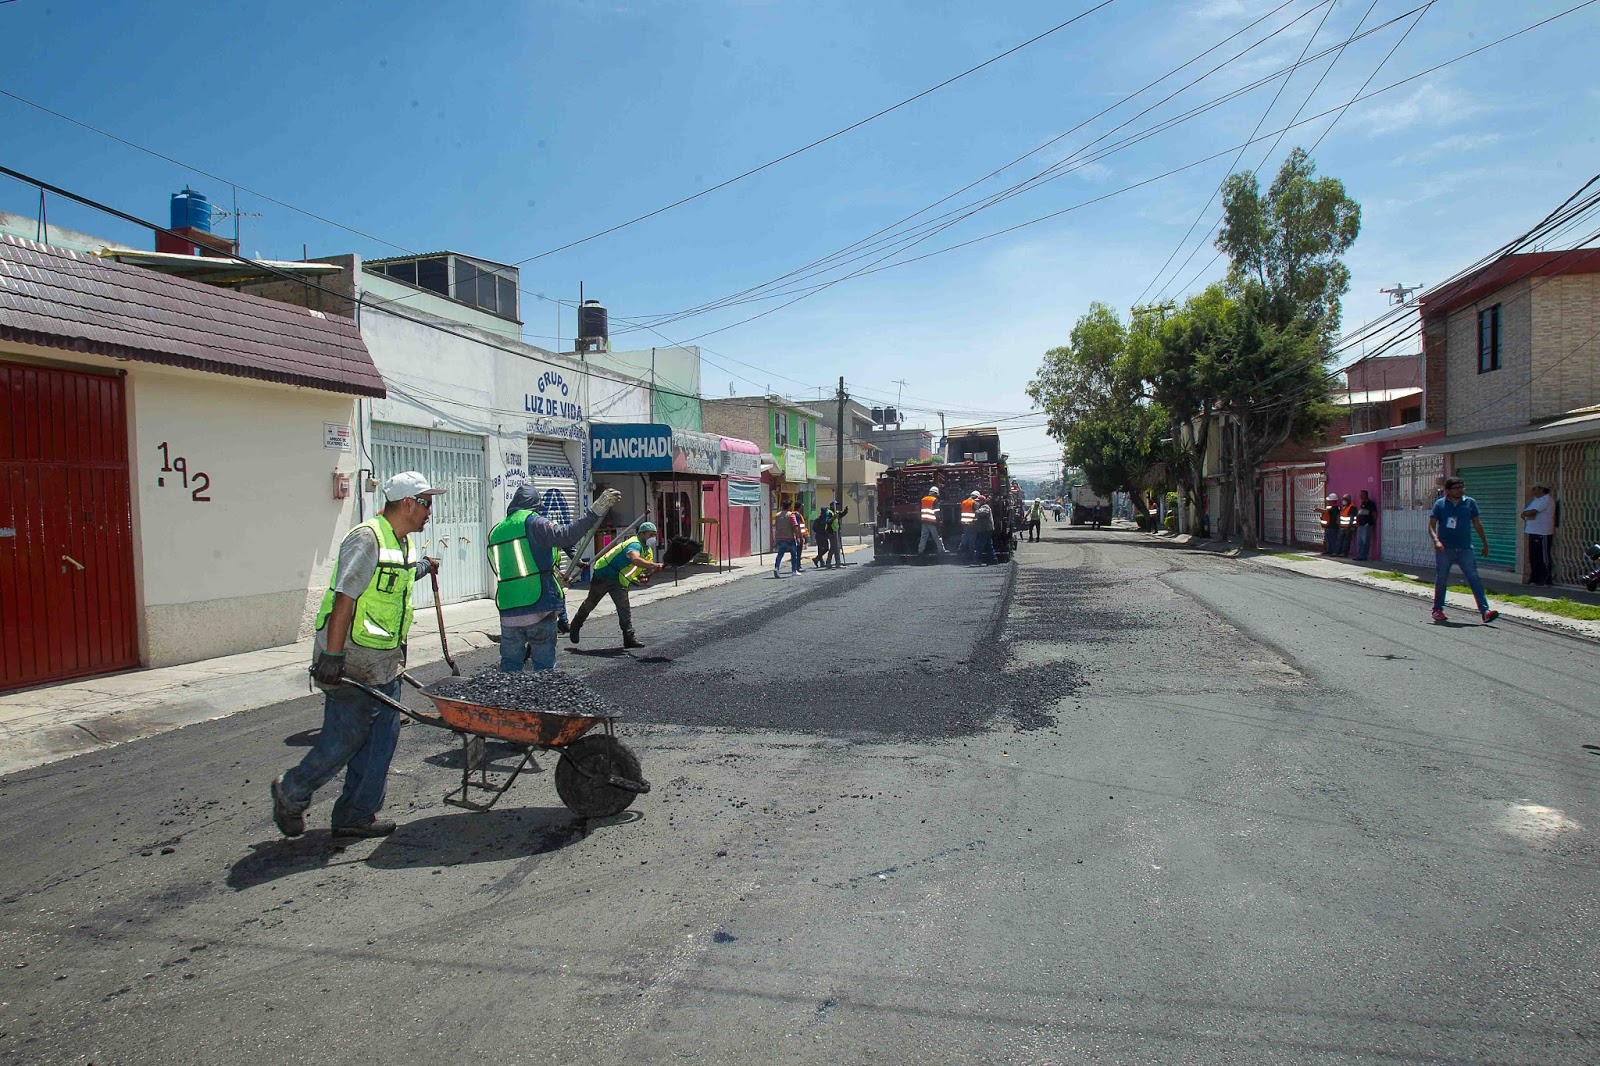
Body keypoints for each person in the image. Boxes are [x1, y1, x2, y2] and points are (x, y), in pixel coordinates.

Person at [271, 471, 444, 840]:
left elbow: (393, 578)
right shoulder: (367, 538)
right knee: (345, 738)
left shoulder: (402, 543)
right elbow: (345, 596)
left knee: (383, 738)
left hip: (385, 660)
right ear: (407, 504)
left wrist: (425, 567)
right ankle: (291, 791)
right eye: (426, 503)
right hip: (351, 658)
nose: (430, 511)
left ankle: (356, 814)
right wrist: (332, 655)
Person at [490, 483, 621, 673]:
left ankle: (508, 692)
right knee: (544, 669)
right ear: (534, 506)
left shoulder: (496, 531)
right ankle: (544, 691)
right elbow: (566, 536)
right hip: (538, 605)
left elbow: (504, 568)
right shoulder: (534, 522)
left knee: (510, 667)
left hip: (508, 609)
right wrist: (594, 513)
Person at [569, 520, 667, 649]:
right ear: (642, 534)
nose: (653, 538)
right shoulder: (634, 544)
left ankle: (629, 638)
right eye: (650, 534)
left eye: (654, 535)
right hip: (604, 574)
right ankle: (576, 625)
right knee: (591, 602)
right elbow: (635, 560)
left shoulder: (647, 550)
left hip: (619, 579)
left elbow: (635, 568)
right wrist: (655, 565)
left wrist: (640, 577)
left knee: (624, 608)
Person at [1429, 476, 1499, 625]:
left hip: (1465, 547)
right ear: (1448, 490)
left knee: (1474, 577)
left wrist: (1485, 543)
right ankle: (1437, 609)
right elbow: (1431, 525)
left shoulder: (1470, 503)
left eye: (1462, 487)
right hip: (1445, 548)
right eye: (1456, 488)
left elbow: (1477, 523)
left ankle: (1485, 611)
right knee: (1442, 578)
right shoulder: (1440, 504)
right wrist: (1436, 541)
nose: (1460, 490)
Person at [1521, 483, 1555, 586]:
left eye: (1534, 488)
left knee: (1543, 557)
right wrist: (1526, 513)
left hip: (1543, 532)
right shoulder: (1536, 500)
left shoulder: (1546, 500)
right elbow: (1524, 513)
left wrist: (1526, 513)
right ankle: (1535, 578)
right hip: (1533, 531)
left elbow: (1531, 512)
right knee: (1534, 557)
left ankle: (1546, 579)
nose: (1532, 491)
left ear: (1541, 489)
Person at [773, 505, 802, 575]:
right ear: (789, 507)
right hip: (790, 538)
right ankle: (794, 571)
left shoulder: (778, 515)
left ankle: (776, 568)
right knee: (794, 554)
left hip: (780, 538)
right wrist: (798, 537)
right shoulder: (791, 515)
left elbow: (776, 526)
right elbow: (795, 526)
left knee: (780, 555)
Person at [917, 485, 946, 556]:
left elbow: (920, 510)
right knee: (936, 536)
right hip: (932, 522)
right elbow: (936, 512)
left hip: (924, 521)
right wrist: (939, 521)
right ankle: (941, 550)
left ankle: (920, 550)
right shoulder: (934, 500)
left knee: (923, 536)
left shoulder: (923, 499)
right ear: (935, 493)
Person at [972, 495, 999, 565]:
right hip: (986, 529)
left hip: (985, 529)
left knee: (980, 545)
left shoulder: (985, 507)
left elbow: (980, 513)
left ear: (982, 501)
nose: (977, 503)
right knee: (988, 545)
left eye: (978, 501)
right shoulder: (984, 507)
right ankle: (993, 560)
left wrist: (976, 509)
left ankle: (978, 560)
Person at [1354, 489, 1378, 562]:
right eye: (1360, 494)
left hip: (1367, 524)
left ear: (1366, 495)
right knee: (1360, 541)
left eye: (1362, 494)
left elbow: (1374, 513)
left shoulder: (1370, 503)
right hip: (1360, 524)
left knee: (1365, 541)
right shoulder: (1362, 503)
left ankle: (1364, 556)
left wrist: (1373, 523)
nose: (1360, 496)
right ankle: (1359, 555)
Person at [824, 498, 850, 568]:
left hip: (836, 531)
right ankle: (834, 562)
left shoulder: (837, 512)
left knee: (835, 547)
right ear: (831, 505)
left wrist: (845, 510)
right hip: (831, 531)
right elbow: (827, 521)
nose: (836, 506)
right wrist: (833, 518)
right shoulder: (829, 512)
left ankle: (833, 562)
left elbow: (842, 514)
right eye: (835, 505)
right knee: (835, 547)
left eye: (837, 505)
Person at [956, 491, 979, 560]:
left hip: (965, 522)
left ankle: (960, 550)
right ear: (976, 497)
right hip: (972, 523)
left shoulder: (963, 502)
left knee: (965, 536)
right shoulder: (974, 502)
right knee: (972, 538)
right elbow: (977, 512)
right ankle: (971, 553)